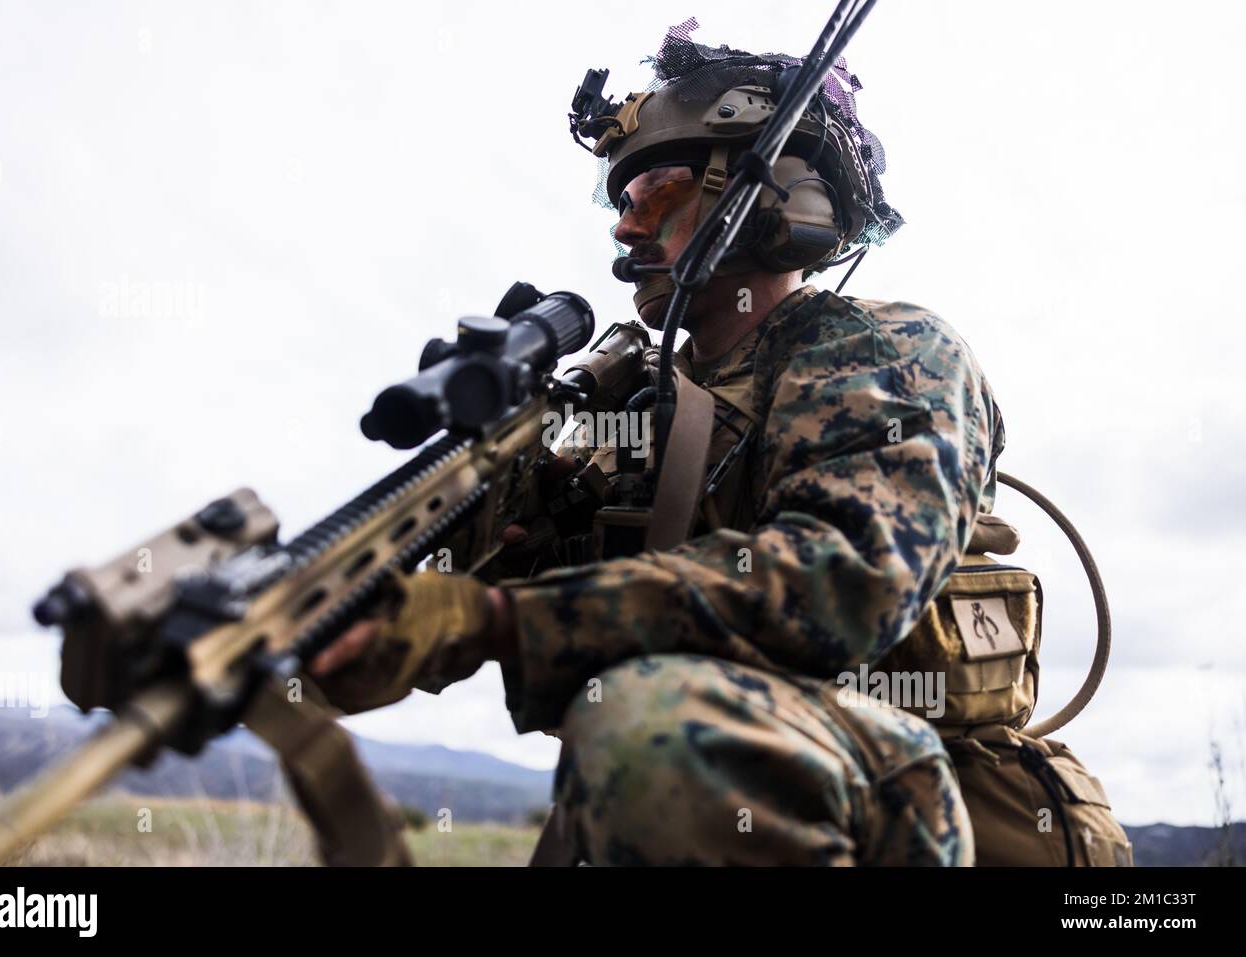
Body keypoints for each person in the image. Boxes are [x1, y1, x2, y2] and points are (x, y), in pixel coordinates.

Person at [309, 29, 1003, 866]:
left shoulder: (883, 350)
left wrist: (493, 620)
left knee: (645, 718)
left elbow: (842, 586)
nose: (625, 229)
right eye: (621, 201)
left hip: (899, 805)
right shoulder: (636, 404)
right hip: (696, 802)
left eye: (659, 191)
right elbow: (466, 618)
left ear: (775, 196)